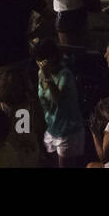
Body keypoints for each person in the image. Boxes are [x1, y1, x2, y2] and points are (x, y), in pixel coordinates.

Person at [34, 38, 84, 167]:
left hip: (67, 131)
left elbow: (58, 101)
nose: (40, 64)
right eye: (38, 60)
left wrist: (47, 77)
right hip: (52, 129)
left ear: (52, 57)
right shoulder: (41, 73)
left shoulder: (65, 75)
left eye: (42, 60)